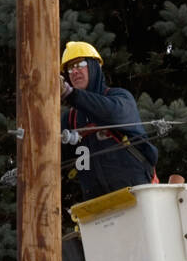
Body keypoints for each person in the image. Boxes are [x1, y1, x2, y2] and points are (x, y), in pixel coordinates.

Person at [60, 41, 159, 200]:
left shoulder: (119, 98)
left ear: (94, 66)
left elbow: (109, 112)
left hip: (138, 196)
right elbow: (53, 156)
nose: (75, 72)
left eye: (80, 64)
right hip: (98, 206)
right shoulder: (70, 119)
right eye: (70, 68)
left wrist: (72, 95)